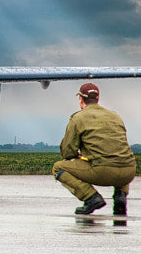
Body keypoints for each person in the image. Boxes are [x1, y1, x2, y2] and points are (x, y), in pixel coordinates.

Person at [52, 83, 136, 215]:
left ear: (80, 99)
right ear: (98, 98)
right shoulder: (115, 116)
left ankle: (91, 198)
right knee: (120, 158)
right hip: (128, 173)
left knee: (58, 167)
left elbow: (68, 151)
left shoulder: (78, 118)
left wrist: (78, 157)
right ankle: (120, 196)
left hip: (103, 171)